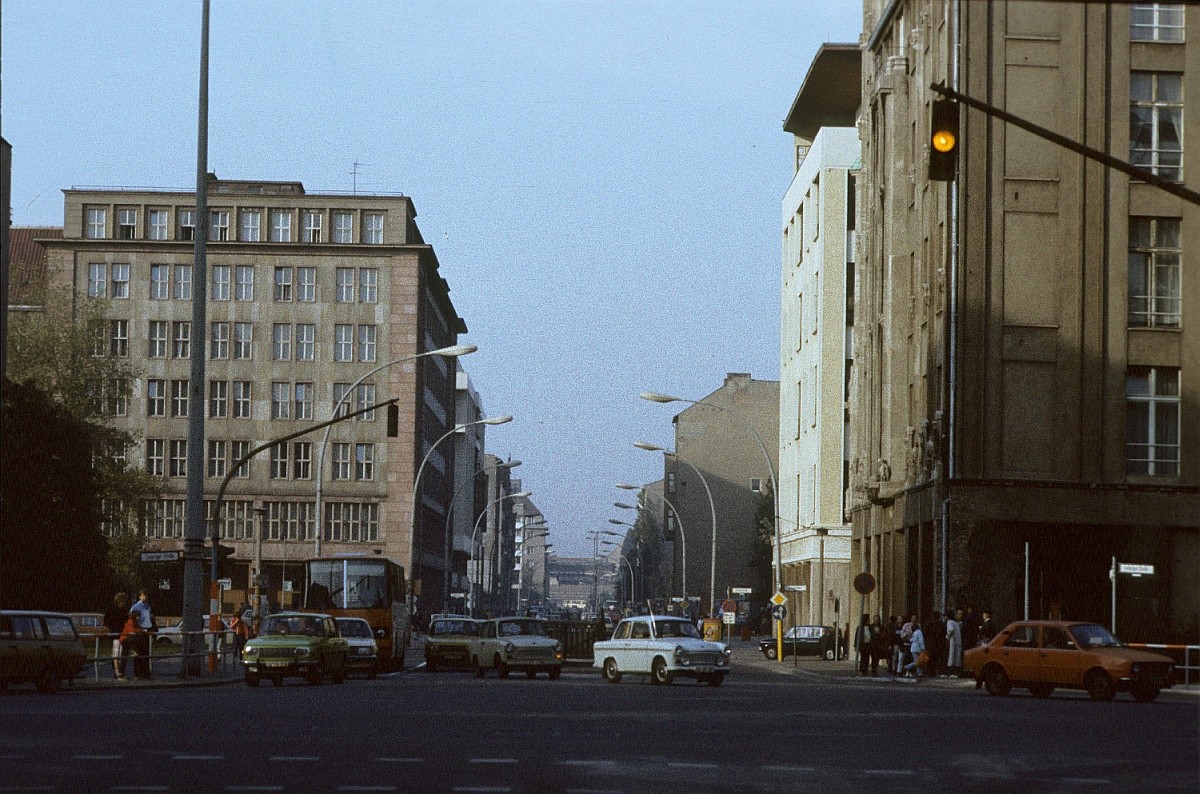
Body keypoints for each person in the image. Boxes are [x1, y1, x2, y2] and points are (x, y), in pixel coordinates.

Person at [128, 590, 155, 679]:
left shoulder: (148, 606)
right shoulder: (136, 606)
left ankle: (146, 673)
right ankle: (138, 673)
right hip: (138, 632)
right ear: (139, 596)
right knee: (138, 653)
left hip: (146, 631)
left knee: (146, 653)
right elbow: (132, 618)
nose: (145, 597)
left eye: (146, 595)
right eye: (143, 595)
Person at [104, 592, 130, 680]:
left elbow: (106, 621)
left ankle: (119, 671)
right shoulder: (117, 609)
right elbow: (107, 621)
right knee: (117, 653)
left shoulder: (119, 609)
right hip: (117, 633)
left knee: (120, 653)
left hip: (119, 633)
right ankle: (117, 671)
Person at [946, 609, 963, 677]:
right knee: (957, 657)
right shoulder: (956, 623)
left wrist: (948, 636)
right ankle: (956, 673)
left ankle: (951, 672)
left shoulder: (949, 622)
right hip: (958, 641)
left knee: (951, 656)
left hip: (953, 640)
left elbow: (951, 629)